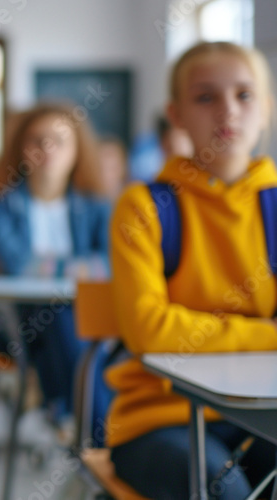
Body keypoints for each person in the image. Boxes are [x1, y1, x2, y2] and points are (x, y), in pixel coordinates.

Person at [107, 41, 277, 500]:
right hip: (157, 419)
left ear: (267, 107)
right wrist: (266, 333)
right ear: (176, 114)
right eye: (206, 97)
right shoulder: (144, 207)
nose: (227, 111)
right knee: (227, 490)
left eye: (244, 95)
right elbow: (149, 330)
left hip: (263, 413)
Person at [0, 104, 111, 426]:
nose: (47, 149)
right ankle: (91, 431)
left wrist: (51, 266)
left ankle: (66, 415)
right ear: (22, 149)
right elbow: (18, 265)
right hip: (18, 323)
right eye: (37, 140)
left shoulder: (96, 206)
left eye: (59, 140)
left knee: (68, 324)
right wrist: (77, 267)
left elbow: (111, 264)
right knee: (57, 316)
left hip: (89, 318)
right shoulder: (2, 206)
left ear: (77, 150)